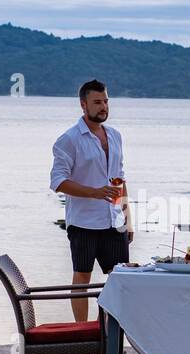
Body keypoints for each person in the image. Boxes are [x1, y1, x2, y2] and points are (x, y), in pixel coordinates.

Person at [51, 80, 134, 320]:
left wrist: (128, 218)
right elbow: (58, 182)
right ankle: (82, 333)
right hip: (84, 222)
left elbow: (120, 179)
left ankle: (105, 332)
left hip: (114, 221)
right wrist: (94, 192)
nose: (103, 107)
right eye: (97, 102)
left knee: (118, 280)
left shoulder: (116, 136)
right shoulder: (69, 139)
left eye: (106, 101)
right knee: (82, 278)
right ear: (83, 105)